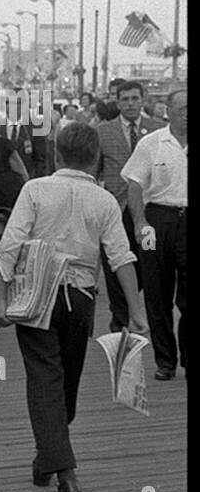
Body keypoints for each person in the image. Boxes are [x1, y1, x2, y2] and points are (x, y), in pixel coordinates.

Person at [0, 122, 148, 492]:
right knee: (65, 385)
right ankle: (56, 465)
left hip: (36, 296)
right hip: (80, 300)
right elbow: (121, 258)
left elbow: (8, 248)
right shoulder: (105, 201)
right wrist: (136, 311)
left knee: (46, 381)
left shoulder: (35, 190)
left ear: (56, 155)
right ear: (96, 159)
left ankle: (59, 467)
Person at [122, 89, 187, 380]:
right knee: (156, 293)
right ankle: (165, 361)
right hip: (156, 222)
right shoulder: (151, 144)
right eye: (182, 109)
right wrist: (138, 223)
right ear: (168, 112)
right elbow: (134, 185)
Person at [94, 80, 165, 334]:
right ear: (118, 102)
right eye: (125, 99)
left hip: (149, 212)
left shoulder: (159, 130)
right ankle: (121, 318)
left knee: (148, 262)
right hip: (116, 210)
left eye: (135, 98)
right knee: (115, 263)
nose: (131, 104)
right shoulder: (103, 131)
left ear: (143, 99)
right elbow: (94, 170)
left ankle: (129, 303)